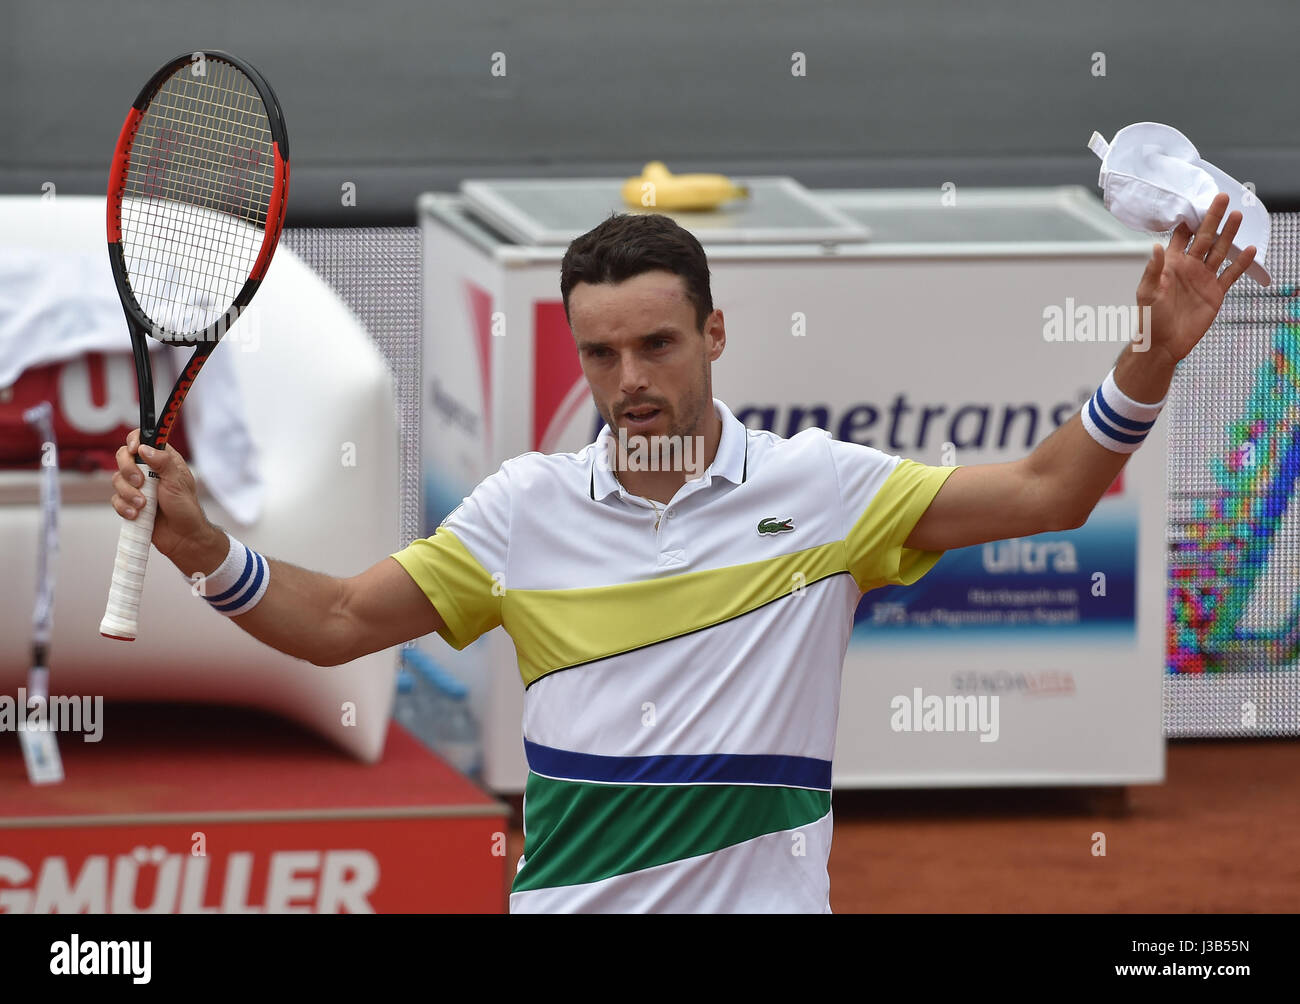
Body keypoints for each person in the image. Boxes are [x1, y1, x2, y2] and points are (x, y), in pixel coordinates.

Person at [110, 198, 1258, 913]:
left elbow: (1050, 491)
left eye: (657, 344)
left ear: (714, 332)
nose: (629, 382)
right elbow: (341, 621)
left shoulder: (824, 493)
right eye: (600, 354)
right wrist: (208, 549)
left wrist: (1148, 358)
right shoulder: (524, 510)